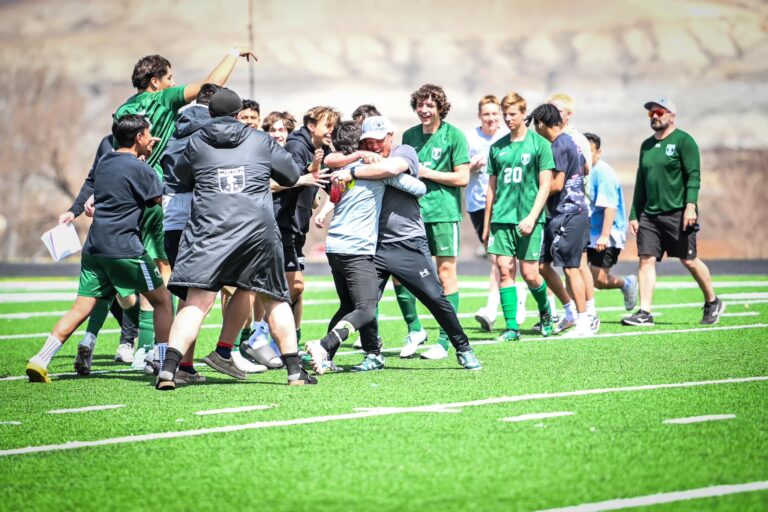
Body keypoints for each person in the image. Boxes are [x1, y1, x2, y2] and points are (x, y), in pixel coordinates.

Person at [156, 88, 313, 389]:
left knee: (197, 302)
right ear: (239, 115)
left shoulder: (197, 141)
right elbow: (292, 175)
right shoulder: (259, 139)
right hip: (257, 229)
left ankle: (169, 369)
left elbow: (180, 178)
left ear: (210, 114)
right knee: (274, 298)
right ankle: (295, 372)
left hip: (209, 228)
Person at [113, 49, 256, 370]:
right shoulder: (160, 100)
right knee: (169, 280)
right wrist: (233, 54)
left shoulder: (124, 110)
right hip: (160, 196)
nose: (174, 83)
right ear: (155, 82)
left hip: (127, 196)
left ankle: (136, 346)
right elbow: (209, 87)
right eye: (169, 79)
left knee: (142, 276)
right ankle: (157, 353)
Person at [26, 115, 173, 383]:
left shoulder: (105, 161)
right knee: (162, 301)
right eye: (148, 134)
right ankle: (165, 368)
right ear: (140, 137)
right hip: (125, 248)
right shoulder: (141, 168)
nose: (151, 138)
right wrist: (150, 161)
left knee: (81, 308)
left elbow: (107, 189)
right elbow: (156, 199)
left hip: (93, 248)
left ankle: (41, 359)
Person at [333, 117, 482, 371]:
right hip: (374, 245)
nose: (374, 145)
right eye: (368, 142)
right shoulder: (363, 157)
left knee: (434, 297)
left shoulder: (405, 151)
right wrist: (358, 159)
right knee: (364, 305)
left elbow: (392, 169)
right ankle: (372, 354)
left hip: (408, 242)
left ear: (390, 136)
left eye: (379, 141)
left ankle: (463, 347)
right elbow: (331, 161)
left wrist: (354, 170)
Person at [305, 119, 428, 374]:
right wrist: (392, 169)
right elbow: (419, 188)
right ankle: (323, 345)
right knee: (366, 309)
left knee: (347, 306)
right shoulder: (373, 171)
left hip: (335, 246)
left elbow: (330, 163)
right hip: (357, 249)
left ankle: (332, 357)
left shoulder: (341, 168)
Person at [624, 97, 723, 326]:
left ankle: (712, 301)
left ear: (671, 115)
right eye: (651, 114)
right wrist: (634, 214)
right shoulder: (646, 145)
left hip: (678, 213)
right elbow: (641, 181)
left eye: (659, 112)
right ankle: (645, 312)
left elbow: (694, 177)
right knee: (646, 260)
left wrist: (691, 206)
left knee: (688, 260)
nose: (655, 116)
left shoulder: (684, 141)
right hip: (650, 215)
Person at [399, 84, 470, 360]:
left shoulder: (454, 136)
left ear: (441, 107)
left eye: (430, 105)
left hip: (443, 214)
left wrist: (427, 172)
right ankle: (415, 329)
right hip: (411, 213)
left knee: (445, 275)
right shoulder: (409, 136)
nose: (424, 110)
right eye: (420, 104)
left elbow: (462, 177)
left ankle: (444, 341)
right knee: (402, 271)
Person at [58, 134, 139, 368]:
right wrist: (74, 210)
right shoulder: (108, 143)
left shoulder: (156, 137)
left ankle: (91, 339)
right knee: (151, 294)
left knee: (111, 291)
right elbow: (93, 181)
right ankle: (138, 345)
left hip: (120, 226)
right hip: (125, 228)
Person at [483, 92, 554, 341]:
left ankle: (546, 311)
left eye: (513, 114)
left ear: (524, 114)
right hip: (502, 219)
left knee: (531, 274)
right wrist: (486, 224)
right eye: (505, 114)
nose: (508, 118)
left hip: (529, 220)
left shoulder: (540, 145)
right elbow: (491, 189)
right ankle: (511, 327)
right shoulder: (497, 147)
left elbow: (546, 185)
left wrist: (532, 217)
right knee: (504, 271)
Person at [275, 106, 339, 345]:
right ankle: (261, 337)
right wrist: (309, 173)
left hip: (298, 229)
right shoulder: (297, 146)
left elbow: (331, 184)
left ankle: (288, 342)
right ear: (312, 125)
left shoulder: (318, 149)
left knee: (295, 290)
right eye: (328, 126)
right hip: (284, 226)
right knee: (295, 286)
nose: (331, 131)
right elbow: (286, 179)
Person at [464, 94, 527, 332]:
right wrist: (471, 166)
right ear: (479, 116)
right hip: (478, 205)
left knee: (499, 256)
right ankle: (516, 293)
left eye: (494, 114)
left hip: (507, 204)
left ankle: (492, 308)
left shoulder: (506, 137)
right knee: (497, 257)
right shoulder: (470, 137)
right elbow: (457, 170)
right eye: (486, 114)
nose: (491, 118)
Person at [530, 104, 592, 337]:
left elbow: (555, 184)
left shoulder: (558, 144)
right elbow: (586, 168)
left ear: (540, 123)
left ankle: (584, 322)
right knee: (542, 265)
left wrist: (532, 189)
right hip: (560, 214)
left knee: (571, 269)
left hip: (570, 213)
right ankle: (569, 312)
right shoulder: (571, 141)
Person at [583, 132, 638, 311]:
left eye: (590, 151)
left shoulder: (603, 173)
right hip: (586, 232)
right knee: (577, 270)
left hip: (607, 233)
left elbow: (610, 207)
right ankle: (579, 313)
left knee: (599, 280)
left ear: (598, 152)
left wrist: (604, 236)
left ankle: (626, 284)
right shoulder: (581, 170)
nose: (586, 155)